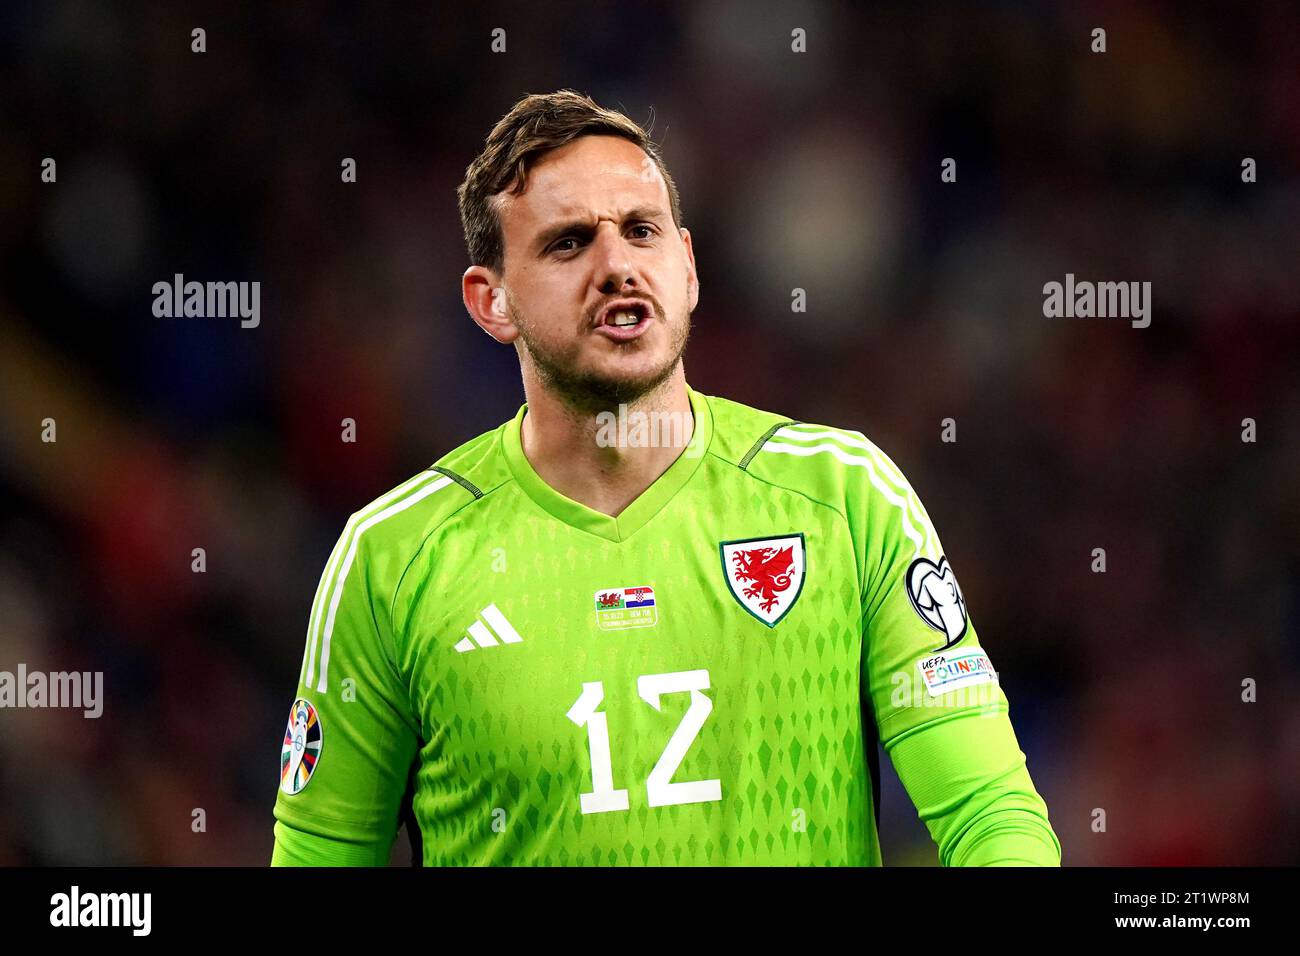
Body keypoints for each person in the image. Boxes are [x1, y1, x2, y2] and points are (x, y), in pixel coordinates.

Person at [271, 89, 1060, 866]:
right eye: (569, 242)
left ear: (685, 267)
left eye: (640, 232)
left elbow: (992, 816)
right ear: (492, 301)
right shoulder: (392, 559)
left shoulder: (845, 499)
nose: (616, 265)